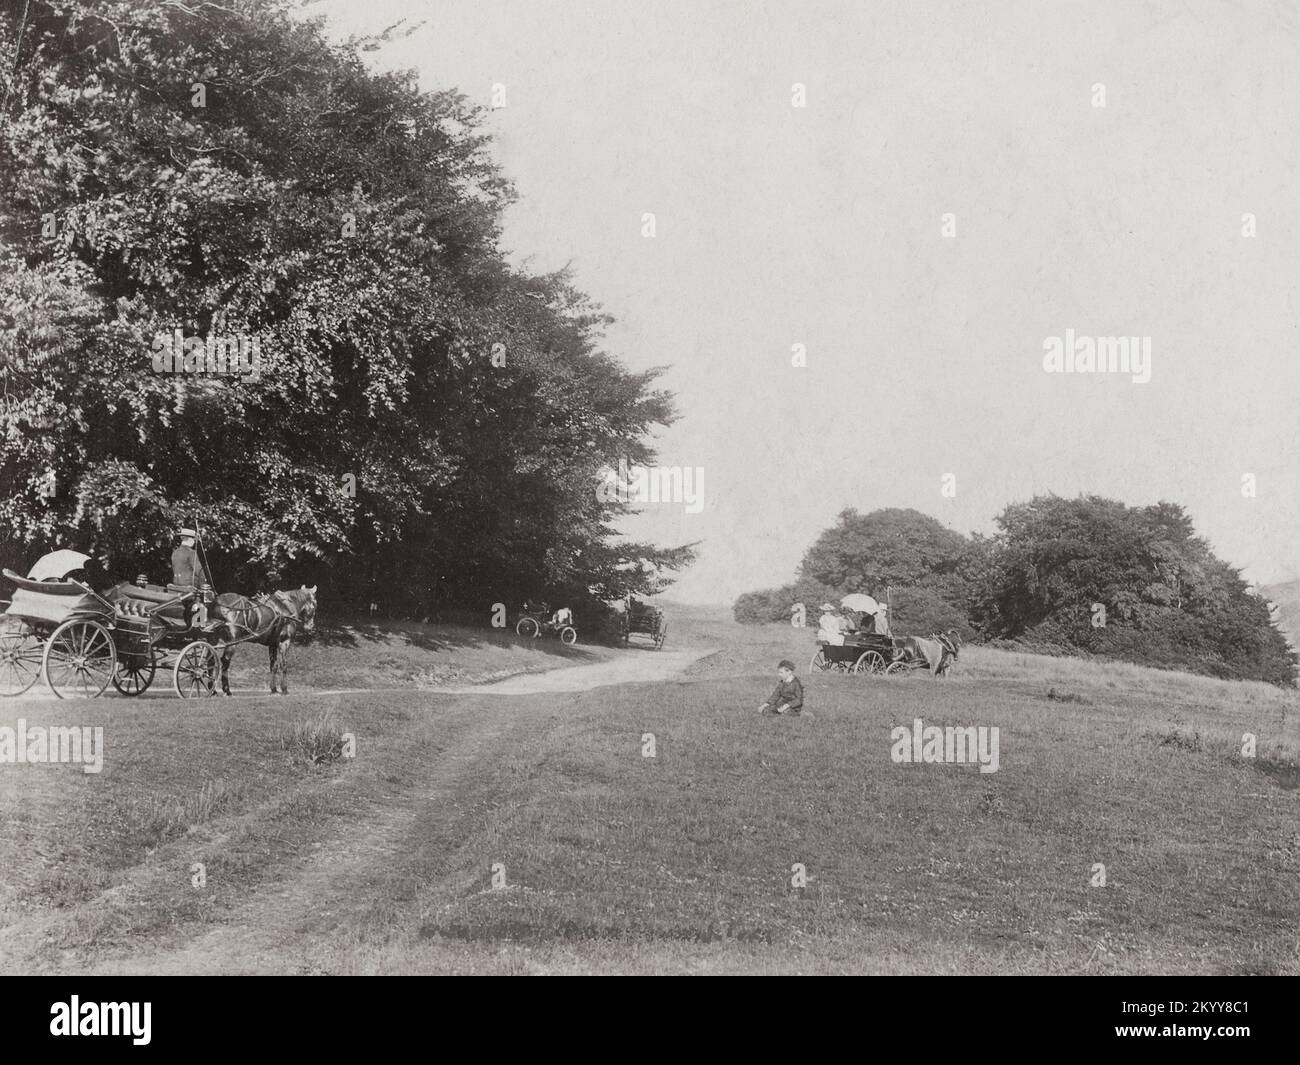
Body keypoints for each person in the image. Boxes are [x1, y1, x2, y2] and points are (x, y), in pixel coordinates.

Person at [171, 527, 210, 625]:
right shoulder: (191, 553)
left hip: (176, 588)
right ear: (188, 539)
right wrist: (205, 587)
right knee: (205, 603)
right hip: (189, 591)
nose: (194, 542)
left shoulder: (175, 553)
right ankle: (200, 626)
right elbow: (199, 571)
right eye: (193, 539)